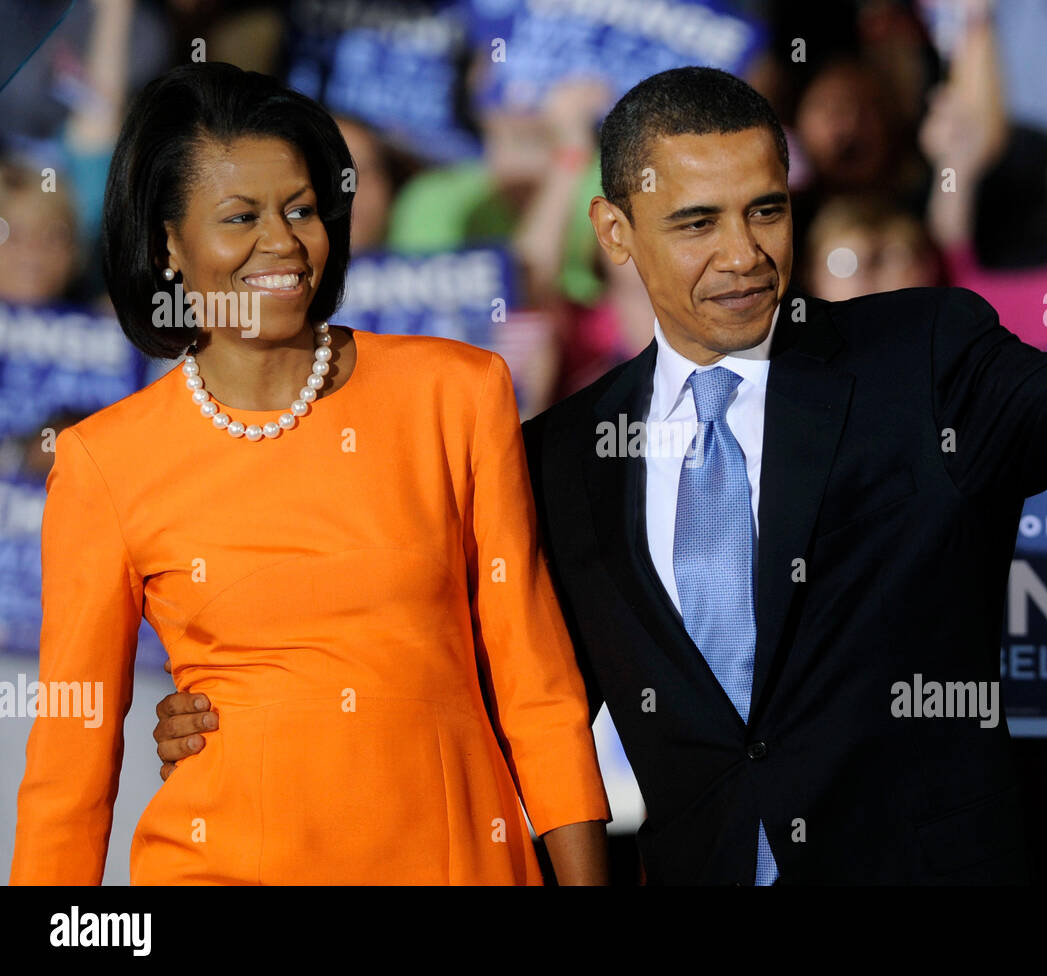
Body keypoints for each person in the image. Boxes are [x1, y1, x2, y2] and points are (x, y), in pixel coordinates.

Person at [156, 62, 1047, 884]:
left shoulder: (921, 355)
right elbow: (478, 693)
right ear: (614, 233)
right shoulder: (560, 459)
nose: (745, 252)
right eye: (696, 222)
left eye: (766, 209)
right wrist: (244, 719)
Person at [10, 61, 610, 885]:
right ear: (167, 247)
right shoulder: (105, 461)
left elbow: (536, 681)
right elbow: (67, 764)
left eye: (300, 208)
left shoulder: (457, 393)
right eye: (240, 216)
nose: (284, 243)